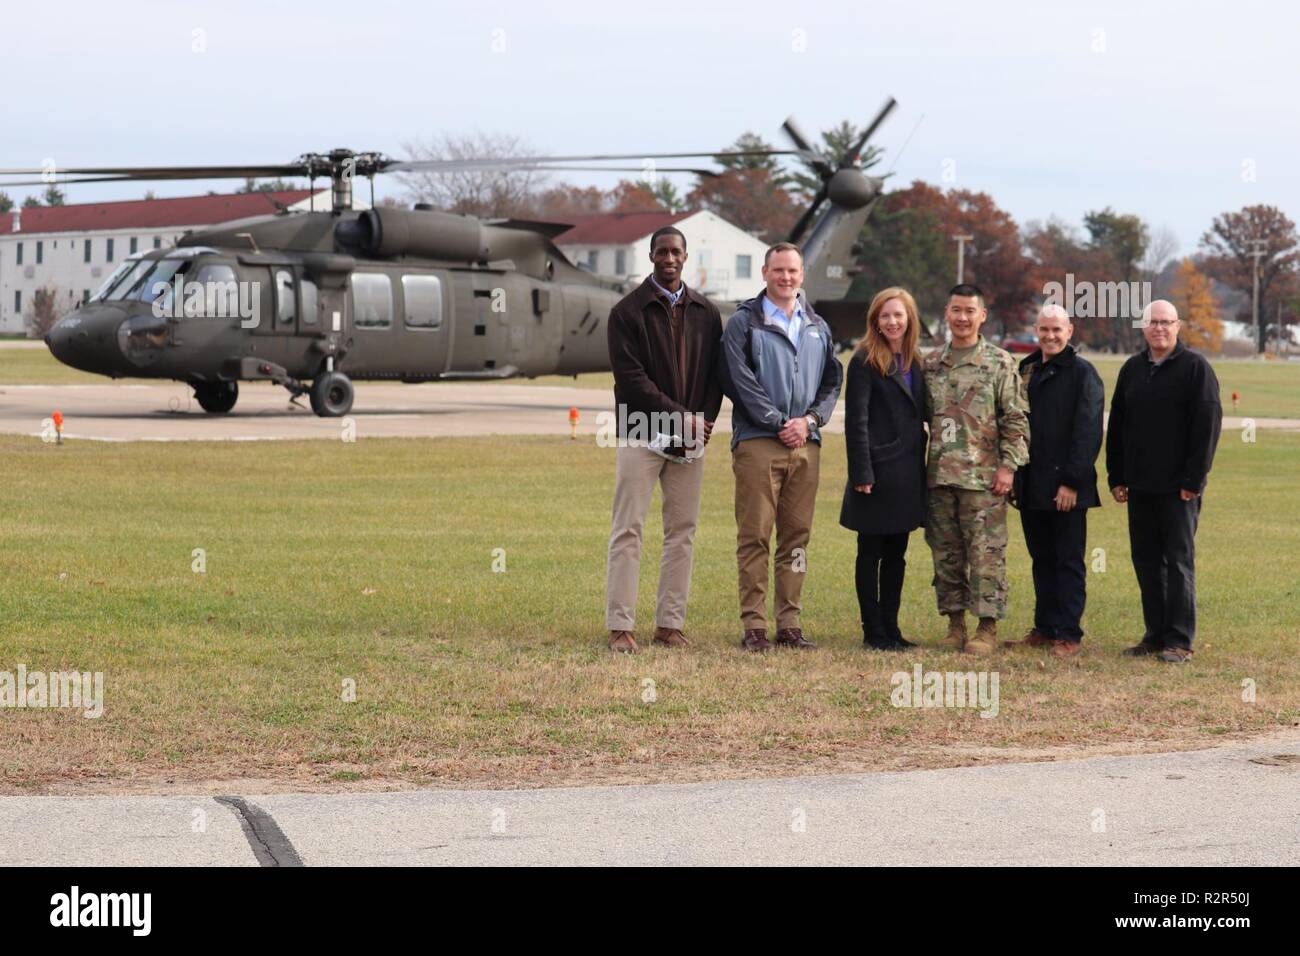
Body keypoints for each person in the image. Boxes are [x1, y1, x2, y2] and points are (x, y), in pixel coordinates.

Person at [604, 225, 723, 653]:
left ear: (686, 257)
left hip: (691, 438)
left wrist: (703, 422)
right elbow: (631, 380)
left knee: (682, 531)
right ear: (651, 256)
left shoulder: (706, 313)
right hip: (640, 431)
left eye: (676, 252)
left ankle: (669, 625)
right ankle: (621, 627)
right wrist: (683, 417)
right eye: (661, 252)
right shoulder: (627, 312)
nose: (669, 258)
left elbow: (715, 375)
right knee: (628, 530)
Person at [719, 242, 842, 652]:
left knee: (796, 537)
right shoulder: (743, 323)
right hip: (758, 443)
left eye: (792, 271)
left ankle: (789, 623)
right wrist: (777, 423)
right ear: (765, 273)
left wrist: (809, 421)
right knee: (755, 534)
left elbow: (831, 382)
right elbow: (738, 380)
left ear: (802, 275)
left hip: (806, 445)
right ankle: (754, 626)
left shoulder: (817, 326)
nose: (785, 278)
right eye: (778, 271)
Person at [1106, 299, 1222, 664]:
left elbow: (1207, 428)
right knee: (1146, 561)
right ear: (1144, 327)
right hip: (1140, 486)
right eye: (1153, 322)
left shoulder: (1195, 369)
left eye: (1166, 322)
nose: (1159, 328)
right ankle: (1155, 634)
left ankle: (1179, 640)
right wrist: (1117, 475)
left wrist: (1193, 479)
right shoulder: (1132, 369)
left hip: (1178, 489)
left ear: (1178, 326)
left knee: (1178, 562)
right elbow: (1118, 425)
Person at [922, 284, 1029, 655]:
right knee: (946, 555)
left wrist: (1008, 468)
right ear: (946, 313)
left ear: (982, 315)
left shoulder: (999, 363)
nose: (962, 317)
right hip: (940, 478)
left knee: (986, 556)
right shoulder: (931, 363)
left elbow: (1016, 420)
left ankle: (986, 628)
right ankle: (954, 624)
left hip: (984, 480)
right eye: (956, 310)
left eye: (970, 311)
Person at [1006, 304, 1104, 658]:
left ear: (1070, 331)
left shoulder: (1083, 373)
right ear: (1036, 329)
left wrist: (1072, 483)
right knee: (1041, 558)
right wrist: (1016, 477)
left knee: (1068, 560)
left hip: (1066, 488)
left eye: (1056, 330)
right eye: (1044, 329)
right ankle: (1045, 627)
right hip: (1032, 482)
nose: (1050, 336)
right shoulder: (1026, 368)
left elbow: (1088, 431)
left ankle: (1068, 632)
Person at [839, 287, 928, 651]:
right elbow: (855, 422)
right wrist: (862, 472)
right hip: (876, 473)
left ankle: (892, 628)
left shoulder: (917, 362)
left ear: (910, 319)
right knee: (870, 552)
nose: (892, 322)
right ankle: (872, 631)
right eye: (885, 316)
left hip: (908, 474)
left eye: (898, 315)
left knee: (897, 555)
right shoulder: (863, 361)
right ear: (875, 320)